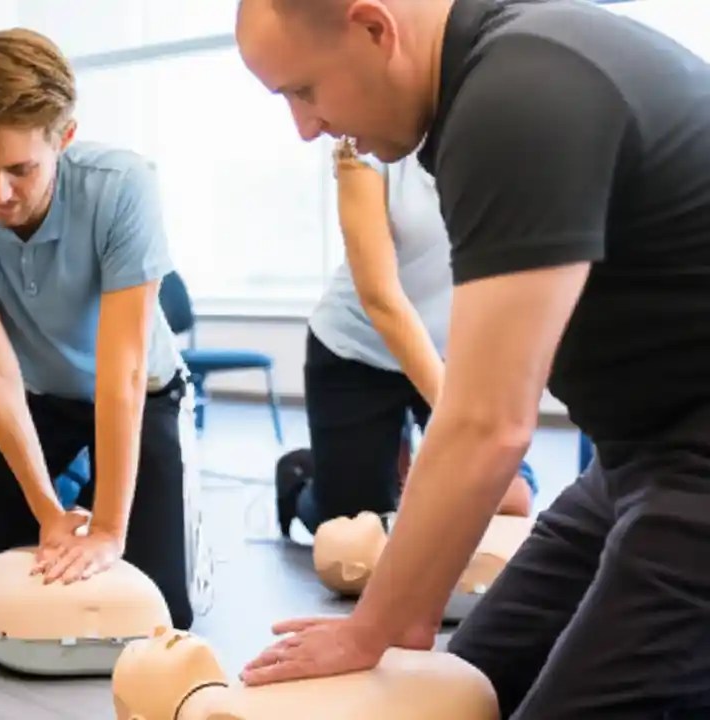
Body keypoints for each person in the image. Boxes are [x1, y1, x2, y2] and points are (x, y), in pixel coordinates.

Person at [235, 0, 710, 716]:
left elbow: (490, 422)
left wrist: (376, 628)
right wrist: (393, 627)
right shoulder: (494, 77)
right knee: (465, 687)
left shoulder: (519, 94)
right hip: (637, 454)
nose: (307, 127)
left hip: (692, 457)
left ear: (373, 27)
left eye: (304, 91)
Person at [0, 28, 202, 630]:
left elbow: (122, 371)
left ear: (64, 138)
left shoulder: (122, 186)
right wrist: (47, 511)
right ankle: (65, 487)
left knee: (162, 608)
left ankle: (111, 498)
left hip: (140, 394)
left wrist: (111, 531)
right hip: (37, 396)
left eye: (20, 169)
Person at [274, 137, 536, 540]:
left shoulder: (511, 142)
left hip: (458, 351)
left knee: (508, 498)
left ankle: (395, 464)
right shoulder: (362, 143)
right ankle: (302, 481)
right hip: (358, 350)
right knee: (358, 528)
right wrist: (456, 414)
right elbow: (380, 296)